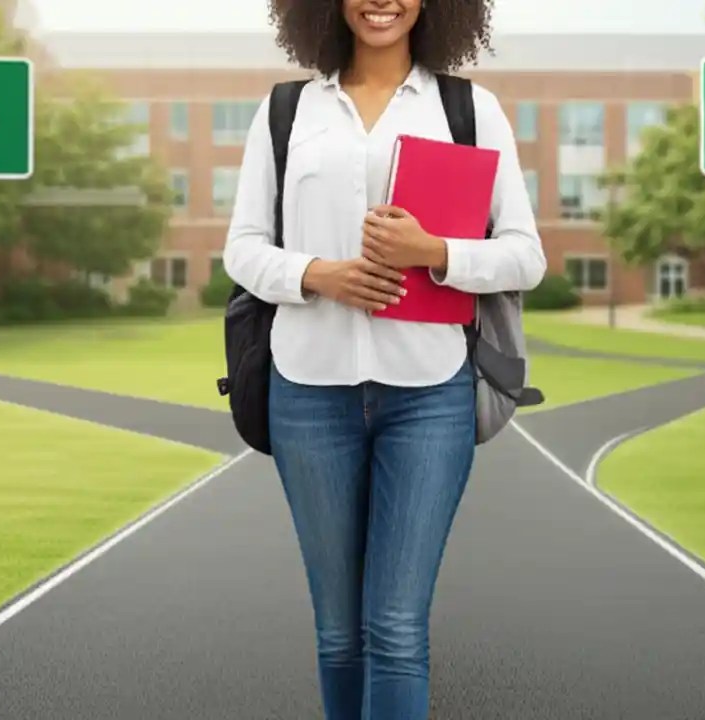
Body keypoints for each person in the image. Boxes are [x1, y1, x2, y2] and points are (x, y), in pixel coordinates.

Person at [222, 1, 546, 717]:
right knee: (339, 632)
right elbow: (242, 248)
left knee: (396, 629)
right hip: (308, 393)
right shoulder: (287, 112)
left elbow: (527, 256)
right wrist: (317, 276)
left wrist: (433, 253)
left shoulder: (469, 110)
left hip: (429, 395)